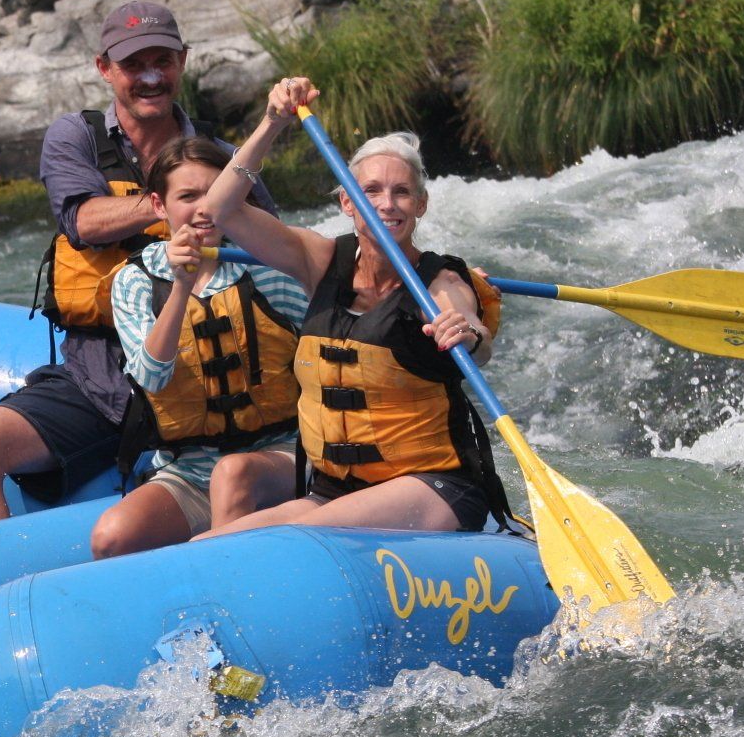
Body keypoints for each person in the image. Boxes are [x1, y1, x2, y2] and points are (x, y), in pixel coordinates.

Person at [0, 0, 282, 527]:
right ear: (104, 68)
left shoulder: (222, 157)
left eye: (163, 61)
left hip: (201, 375)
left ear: (183, 61)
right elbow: (82, 221)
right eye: (133, 64)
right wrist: (183, 202)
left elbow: (276, 253)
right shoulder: (75, 137)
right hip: (99, 376)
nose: (150, 77)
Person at [196, 77, 510, 537]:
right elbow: (220, 209)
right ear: (347, 201)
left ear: (420, 204)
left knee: (299, 536)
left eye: (402, 192)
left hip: (432, 487)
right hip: (335, 493)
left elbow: (472, 334)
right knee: (205, 544)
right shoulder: (320, 261)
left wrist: (466, 332)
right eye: (372, 191)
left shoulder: (439, 280)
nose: (388, 204)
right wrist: (271, 123)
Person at [90, 135, 309, 558]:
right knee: (111, 538)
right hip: (188, 471)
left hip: (280, 456)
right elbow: (152, 377)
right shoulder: (135, 280)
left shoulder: (266, 269)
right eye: (188, 196)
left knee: (234, 473)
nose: (203, 208)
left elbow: (337, 332)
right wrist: (181, 287)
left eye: (214, 193)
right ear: (159, 206)